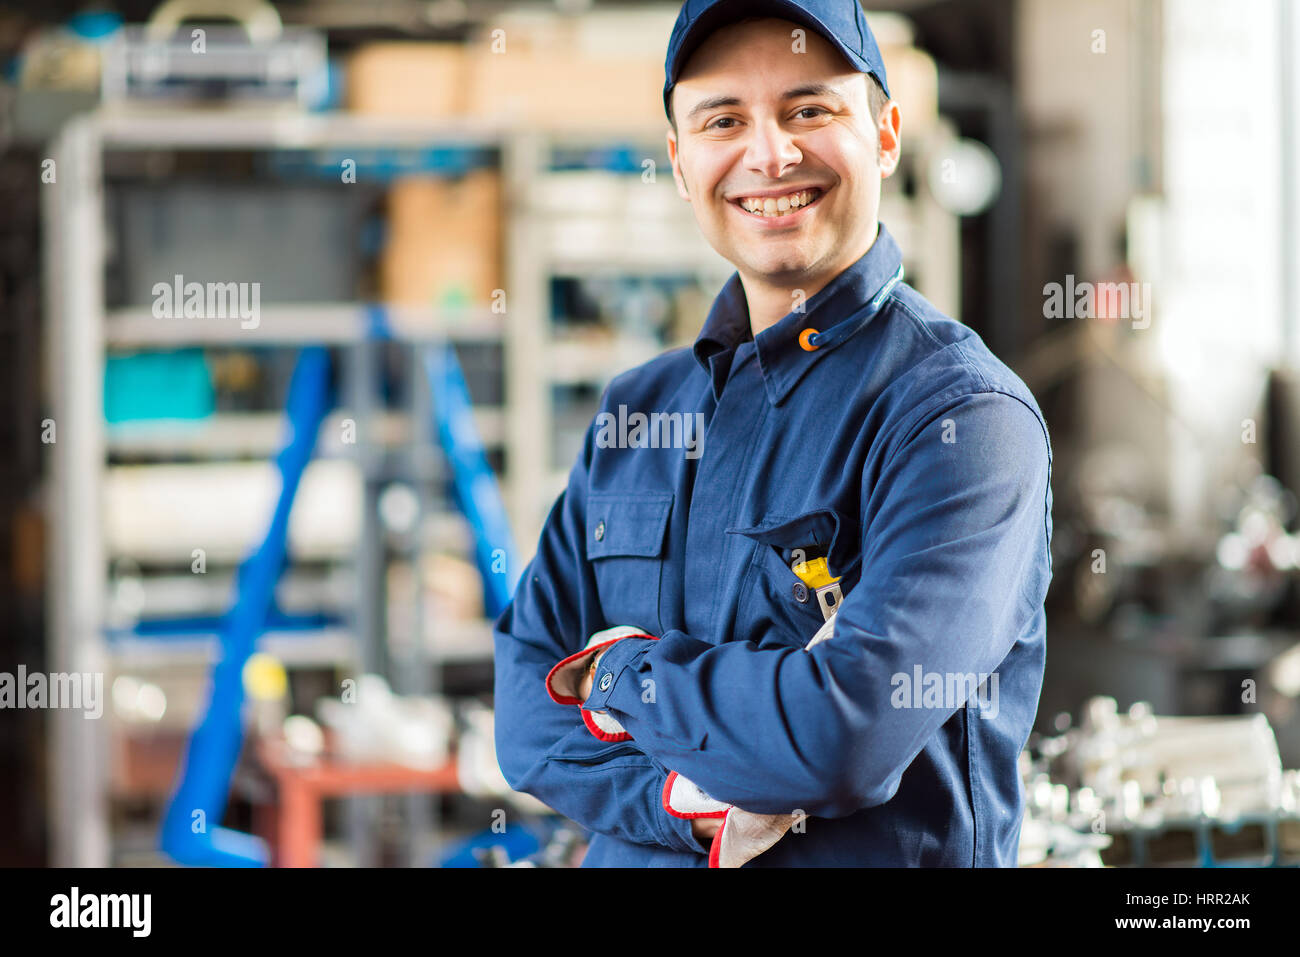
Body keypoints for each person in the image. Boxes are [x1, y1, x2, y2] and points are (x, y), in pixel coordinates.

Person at [492, 0, 1053, 867]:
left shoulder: (960, 421)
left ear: (886, 133)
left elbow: (841, 736)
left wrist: (618, 675)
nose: (769, 153)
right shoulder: (636, 414)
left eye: (810, 110)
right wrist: (683, 803)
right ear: (681, 165)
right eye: (724, 119)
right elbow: (528, 708)